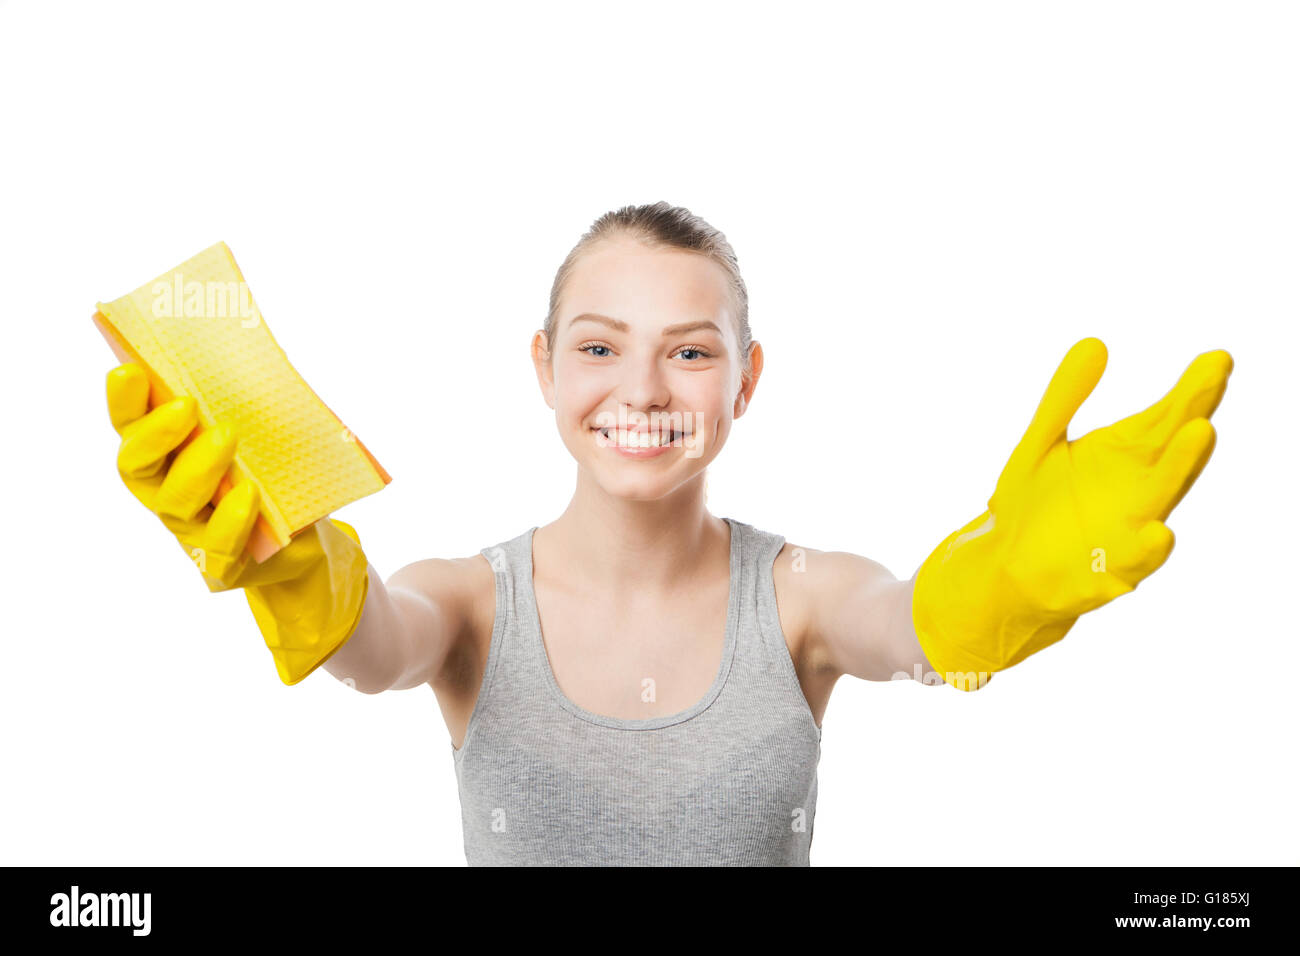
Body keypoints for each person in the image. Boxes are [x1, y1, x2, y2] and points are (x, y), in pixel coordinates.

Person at [104, 201, 1233, 866]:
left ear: (744, 381)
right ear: (543, 366)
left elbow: (912, 631)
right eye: (597, 346)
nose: (641, 385)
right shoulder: (467, 602)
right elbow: (371, 647)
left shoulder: (799, 594)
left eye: (690, 351)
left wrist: (1002, 587)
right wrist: (290, 563)